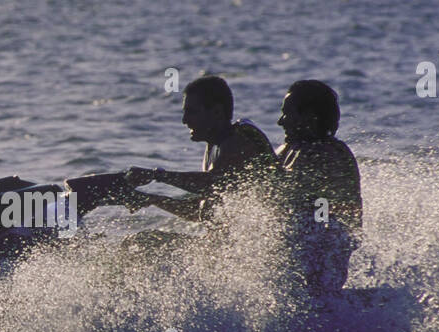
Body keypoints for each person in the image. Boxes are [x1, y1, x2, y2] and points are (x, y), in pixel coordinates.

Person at [123, 75, 276, 223]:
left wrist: (155, 175)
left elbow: (213, 184)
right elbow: (202, 211)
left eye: (191, 112)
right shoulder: (214, 145)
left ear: (216, 112)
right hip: (230, 243)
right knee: (142, 241)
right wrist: (153, 199)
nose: (184, 120)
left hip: (268, 243)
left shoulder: (238, 140)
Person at [272, 79, 362, 294]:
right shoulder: (291, 148)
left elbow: (285, 191)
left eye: (288, 114)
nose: (280, 122)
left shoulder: (329, 154)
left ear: (310, 117)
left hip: (320, 265)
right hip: (297, 257)